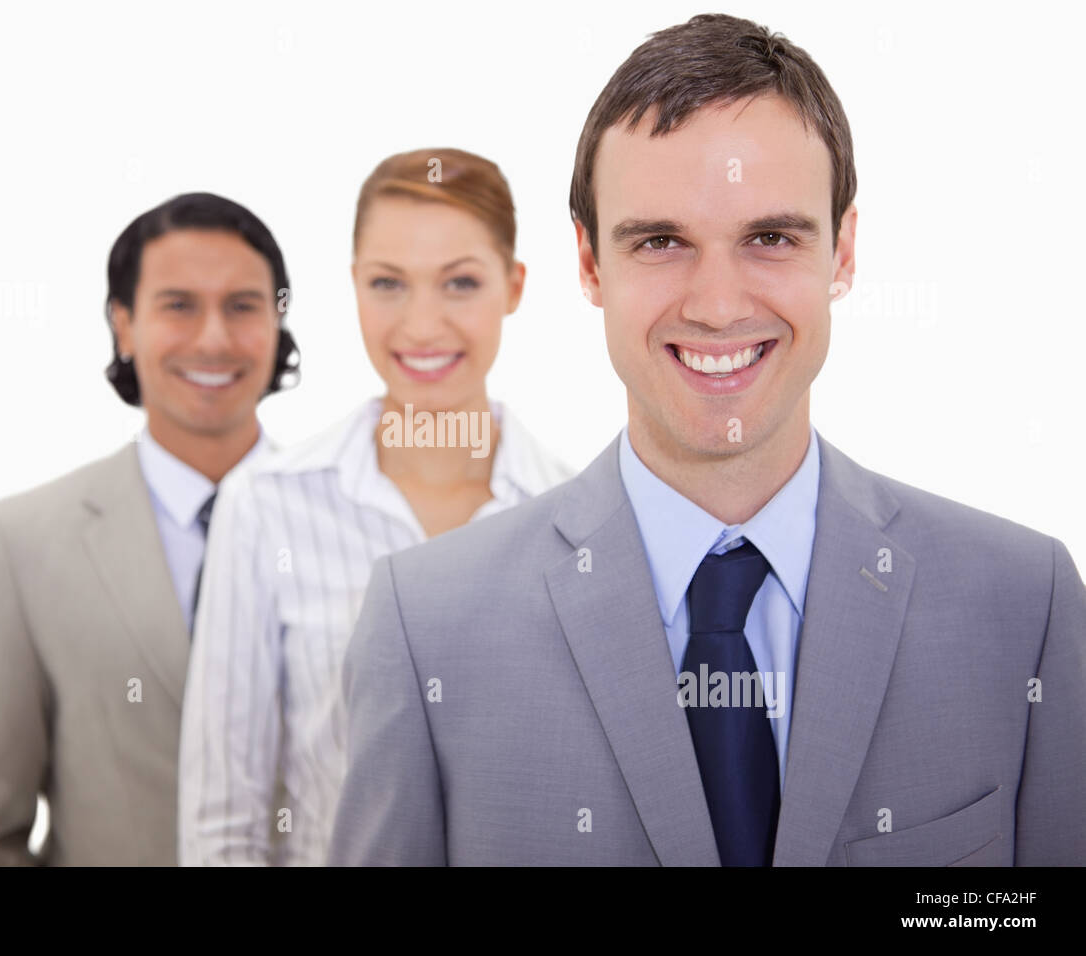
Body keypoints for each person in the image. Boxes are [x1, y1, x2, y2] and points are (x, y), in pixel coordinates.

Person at [328, 15, 1086, 866]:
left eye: (770, 238)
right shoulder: (425, 626)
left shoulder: (1026, 606)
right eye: (661, 241)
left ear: (842, 252)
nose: (718, 306)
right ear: (590, 264)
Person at [178, 148, 574, 866]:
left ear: (513, 287)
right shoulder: (267, 506)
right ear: (355, 285)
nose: (421, 326)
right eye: (388, 283)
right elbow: (222, 826)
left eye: (460, 282)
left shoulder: (575, 518)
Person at [0, 192, 299, 865]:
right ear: (123, 325)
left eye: (243, 306)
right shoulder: (21, 545)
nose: (213, 338)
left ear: (278, 322)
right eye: (178, 305)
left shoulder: (366, 528)